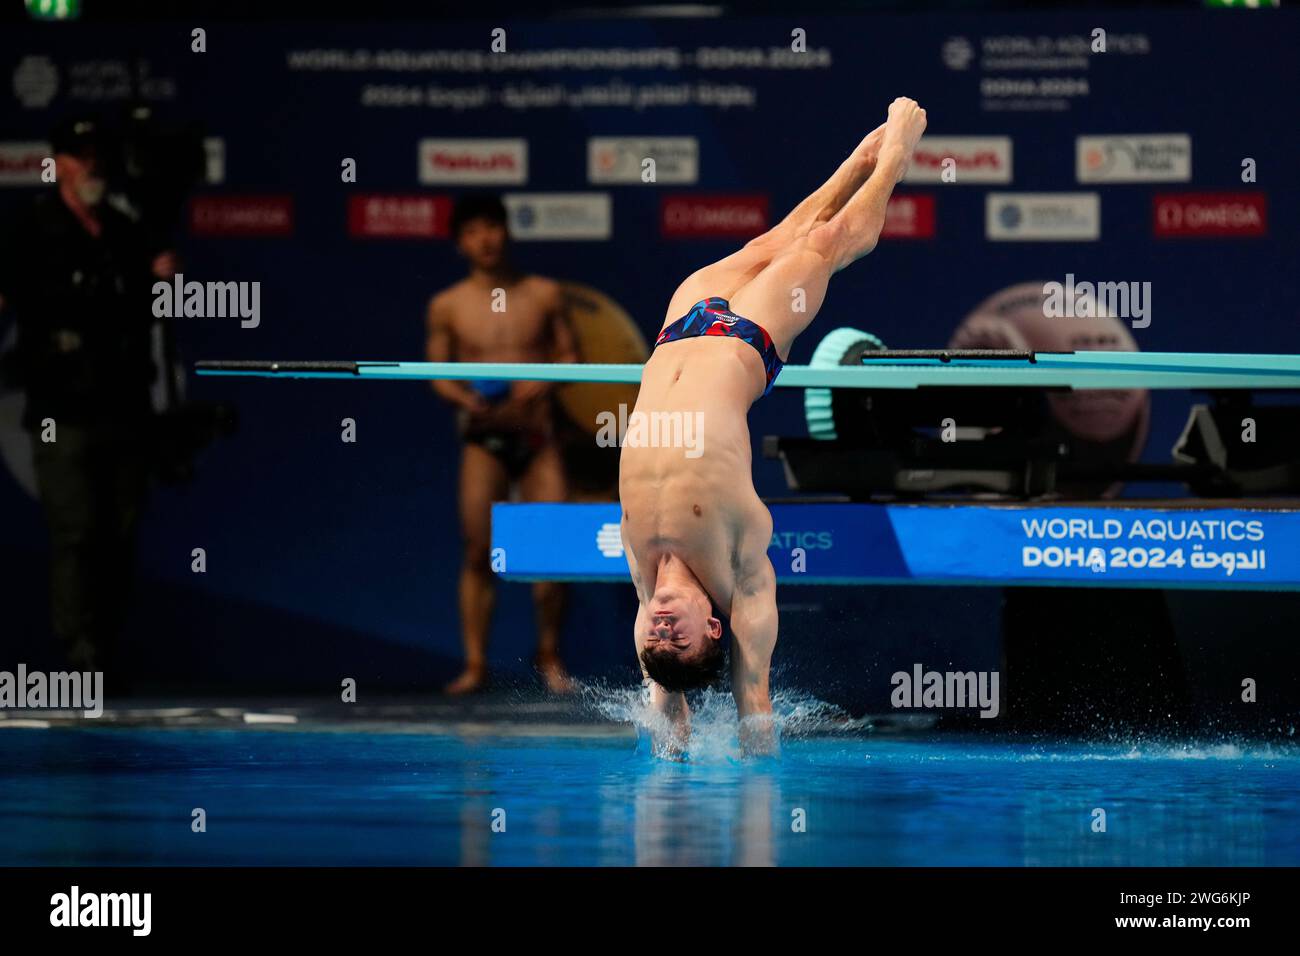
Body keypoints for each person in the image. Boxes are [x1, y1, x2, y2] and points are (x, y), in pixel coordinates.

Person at [618, 99, 928, 755]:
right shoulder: (741, 577)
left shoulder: (645, 579)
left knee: (775, 237)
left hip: (679, 325)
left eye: (655, 638)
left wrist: (669, 752)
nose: (663, 627)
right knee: (829, 242)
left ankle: (855, 161)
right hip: (748, 340)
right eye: (680, 637)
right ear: (715, 629)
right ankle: (898, 150)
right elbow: (753, 703)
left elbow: (663, 699)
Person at [0, 116, 178, 676]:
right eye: (79, 154)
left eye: (98, 154)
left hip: (123, 404)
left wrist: (161, 280)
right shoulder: (32, 229)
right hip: (61, 408)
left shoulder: (125, 232)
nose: (91, 164)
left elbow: (144, 310)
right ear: (57, 164)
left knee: (119, 535)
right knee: (75, 531)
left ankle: (108, 646)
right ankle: (79, 654)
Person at [426, 194, 579, 694]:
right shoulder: (447, 304)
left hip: (537, 435)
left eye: (492, 227)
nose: (485, 239)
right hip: (484, 437)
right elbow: (438, 373)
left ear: (506, 232)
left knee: (553, 548)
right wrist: (465, 399)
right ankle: (474, 664)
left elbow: (571, 357)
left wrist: (543, 381)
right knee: (477, 550)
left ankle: (549, 655)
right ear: (459, 243)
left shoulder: (543, 293)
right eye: (472, 231)